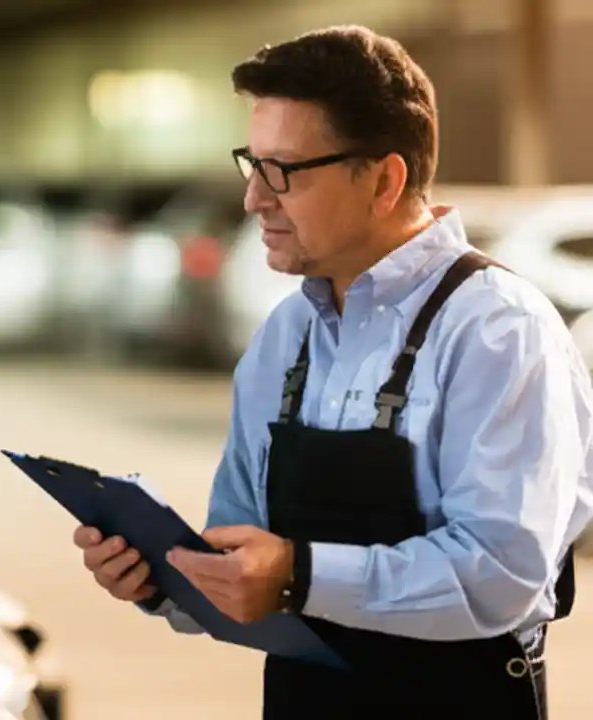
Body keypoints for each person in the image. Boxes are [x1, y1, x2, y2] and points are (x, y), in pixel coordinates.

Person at [73, 25, 593, 720]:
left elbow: (501, 578)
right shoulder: (285, 336)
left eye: (283, 171)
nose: (255, 198)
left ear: (385, 179)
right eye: (249, 165)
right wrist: (165, 580)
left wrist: (297, 575)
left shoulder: (497, 329)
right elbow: (241, 544)